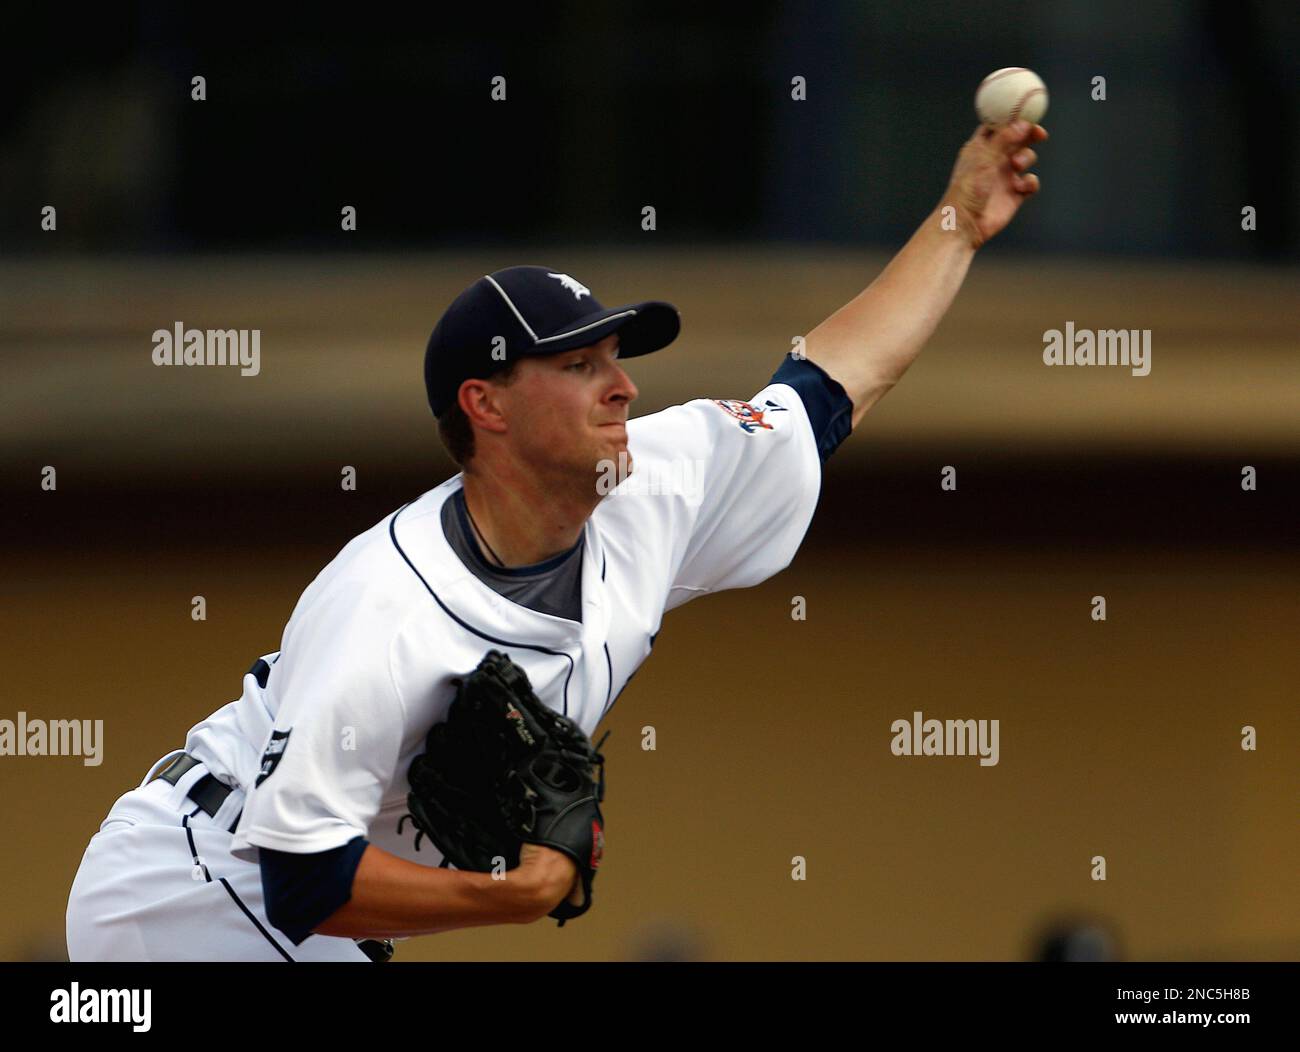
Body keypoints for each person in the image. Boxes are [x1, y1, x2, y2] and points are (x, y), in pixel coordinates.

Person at [65, 120, 1046, 961]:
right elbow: (302, 881)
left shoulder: (650, 481)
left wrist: (958, 220)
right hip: (187, 892)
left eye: (616, 357)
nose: (620, 386)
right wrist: (519, 891)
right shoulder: (384, 608)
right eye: (579, 363)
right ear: (484, 403)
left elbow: (830, 387)